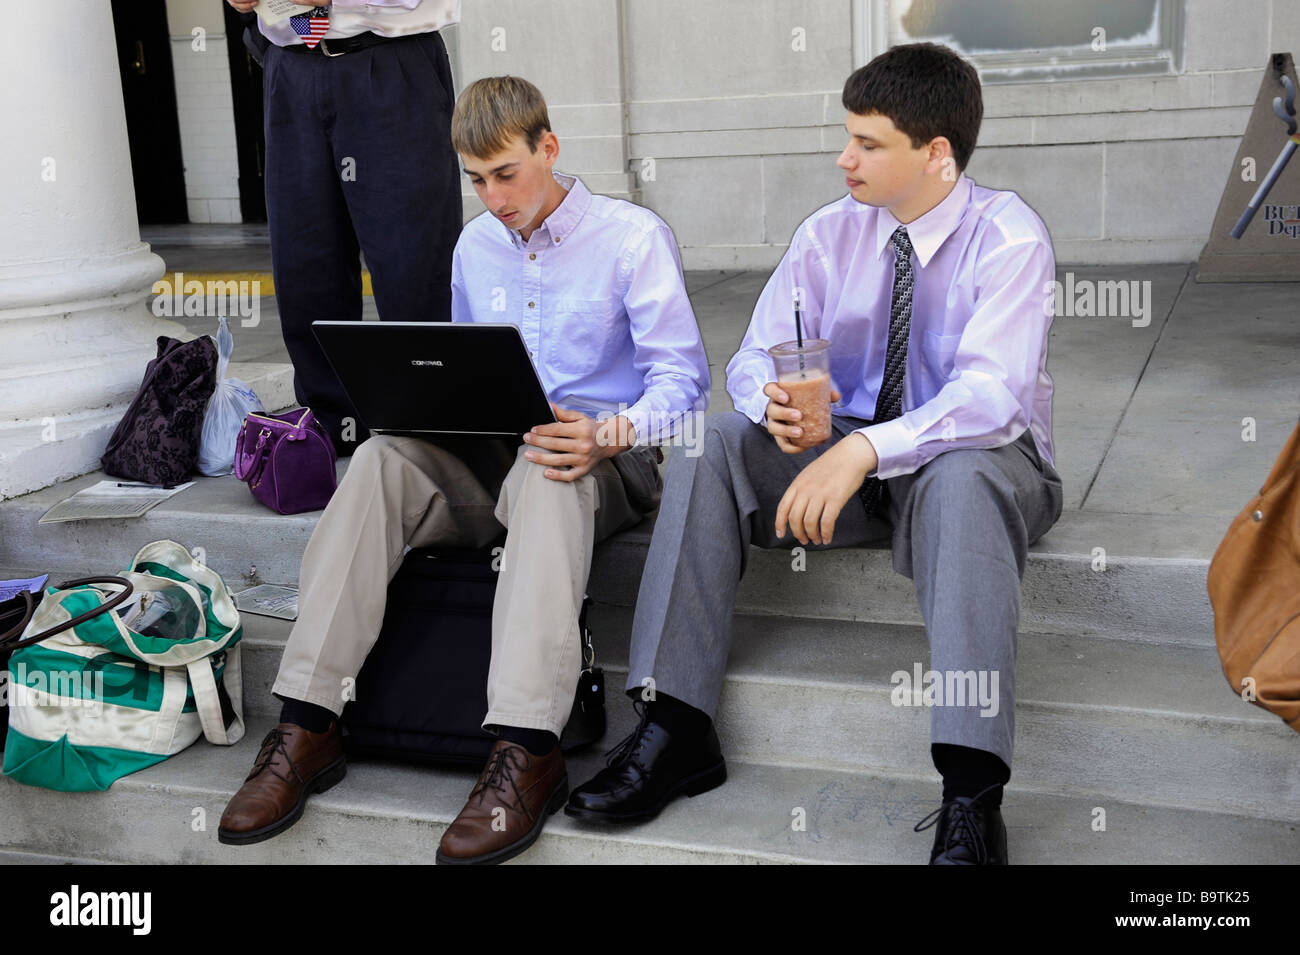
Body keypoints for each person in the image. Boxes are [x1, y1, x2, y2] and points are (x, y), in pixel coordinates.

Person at [566, 42, 1064, 866]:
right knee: (713, 440)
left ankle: (972, 794)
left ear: (936, 154)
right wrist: (781, 408)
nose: (845, 158)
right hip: (845, 459)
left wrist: (862, 448)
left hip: (982, 464)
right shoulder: (830, 233)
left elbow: (992, 398)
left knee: (965, 475)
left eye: (868, 143)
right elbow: (755, 355)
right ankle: (675, 726)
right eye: (847, 136)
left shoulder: (1008, 238)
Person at [217, 76, 710, 866]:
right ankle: (308, 723)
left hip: (604, 460)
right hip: (489, 454)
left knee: (547, 470)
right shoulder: (474, 245)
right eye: (475, 180)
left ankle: (526, 748)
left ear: (548, 148)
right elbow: (466, 366)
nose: (492, 197)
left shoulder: (632, 237)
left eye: (505, 173)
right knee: (379, 459)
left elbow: (685, 388)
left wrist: (606, 433)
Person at [226, 0, 464, 457]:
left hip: (388, 62)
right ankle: (331, 422)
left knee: (412, 260)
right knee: (305, 259)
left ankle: (431, 429)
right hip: (292, 67)